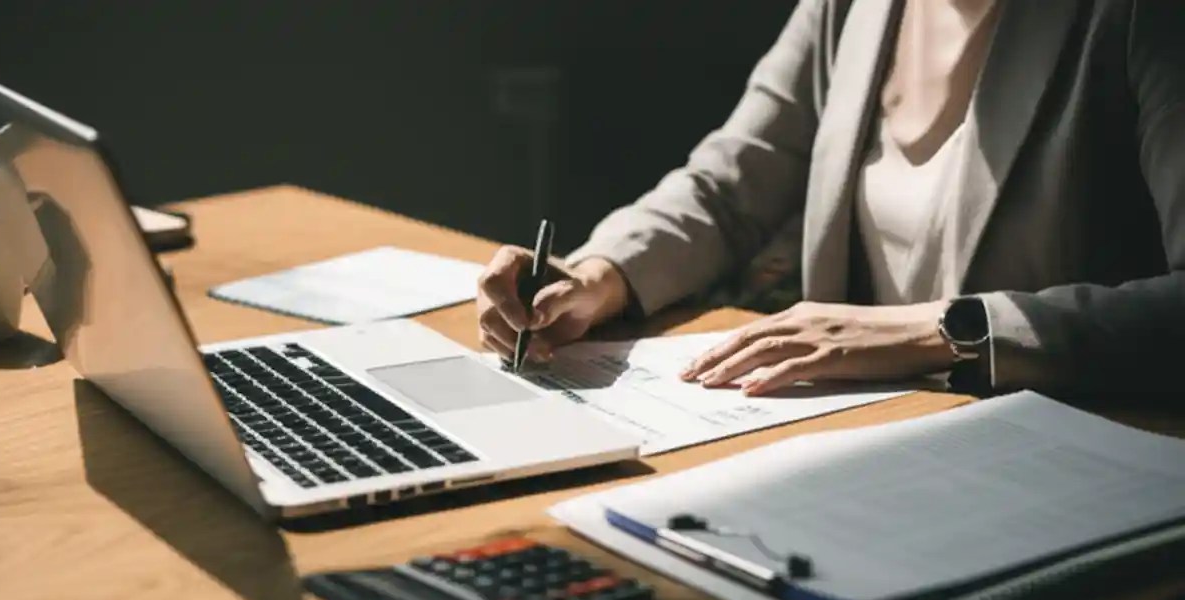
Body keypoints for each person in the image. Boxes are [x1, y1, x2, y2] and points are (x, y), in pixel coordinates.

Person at [475, 0, 1185, 396]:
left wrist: (934, 333)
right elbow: (729, 182)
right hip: (860, 429)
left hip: (1069, 448)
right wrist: (600, 277)